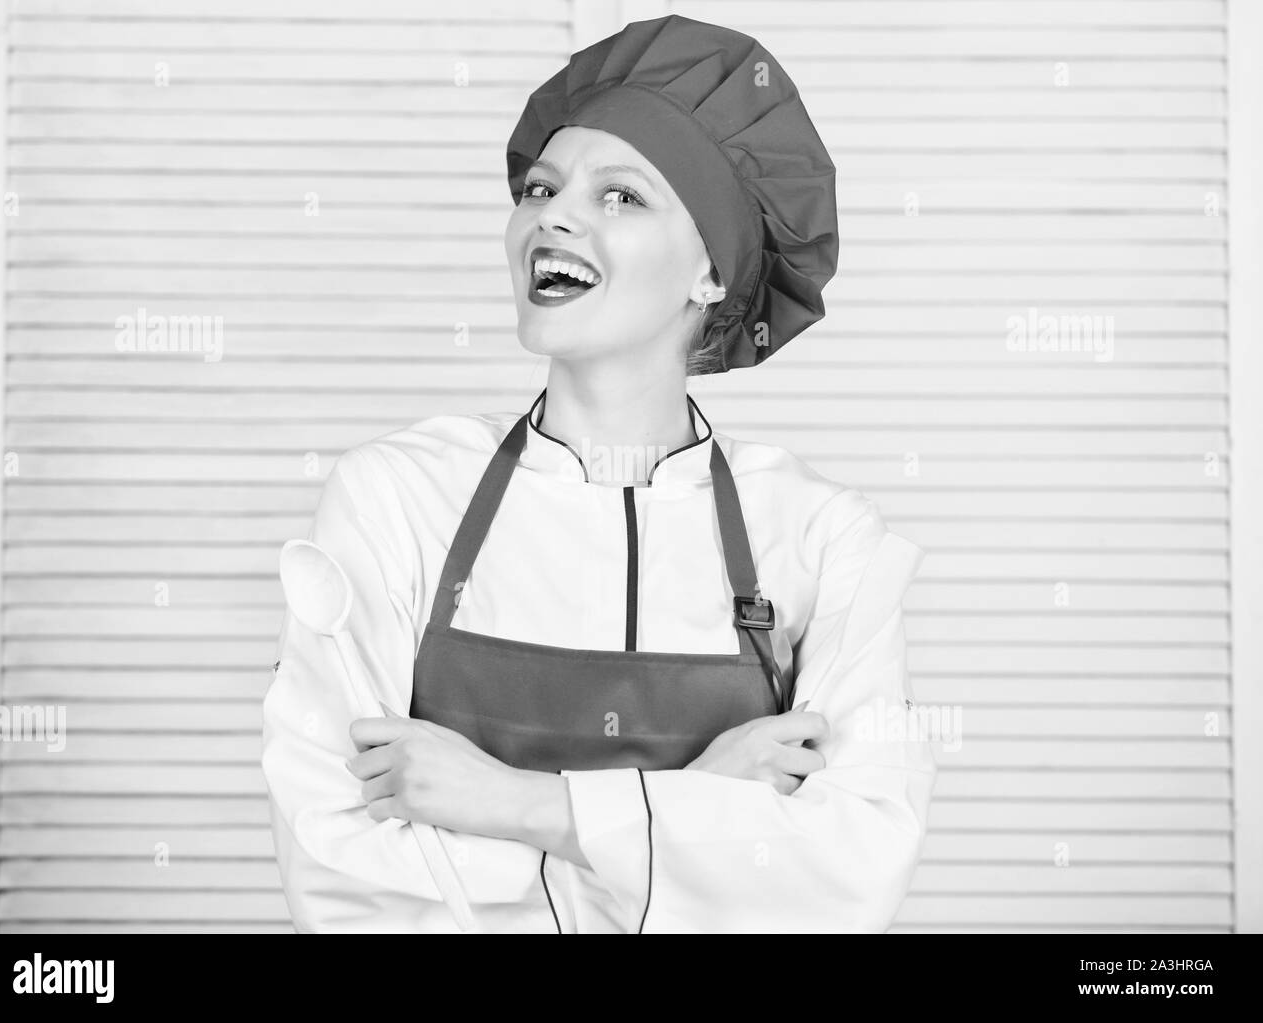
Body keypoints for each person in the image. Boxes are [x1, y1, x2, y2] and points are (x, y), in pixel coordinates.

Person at [261, 14, 937, 934]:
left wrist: (512, 802)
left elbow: (842, 878)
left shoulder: (825, 540)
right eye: (542, 186)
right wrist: (693, 810)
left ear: (713, 272)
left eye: (621, 195)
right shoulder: (397, 501)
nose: (555, 214)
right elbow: (343, 880)